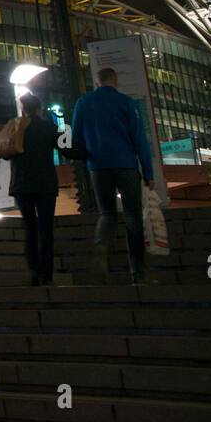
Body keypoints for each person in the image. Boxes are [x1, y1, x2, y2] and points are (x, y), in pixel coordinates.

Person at [70, 66, 155, 284]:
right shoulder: (127, 103)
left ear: (97, 82)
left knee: (107, 213)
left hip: (98, 167)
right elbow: (139, 140)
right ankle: (138, 273)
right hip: (126, 165)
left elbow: (76, 139)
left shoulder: (83, 103)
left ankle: (101, 246)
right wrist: (148, 172)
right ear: (115, 81)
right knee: (133, 216)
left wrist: (89, 156)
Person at [8, 93, 60, 286]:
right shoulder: (49, 127)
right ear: (40, 108)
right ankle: (47, 274)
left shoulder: (16, 127)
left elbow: (5, 153)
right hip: (45, 185)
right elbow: (69, 148)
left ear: (23, 109)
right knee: (46, 230)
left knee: (30, 228)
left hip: (22, 185)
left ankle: (33, 271)